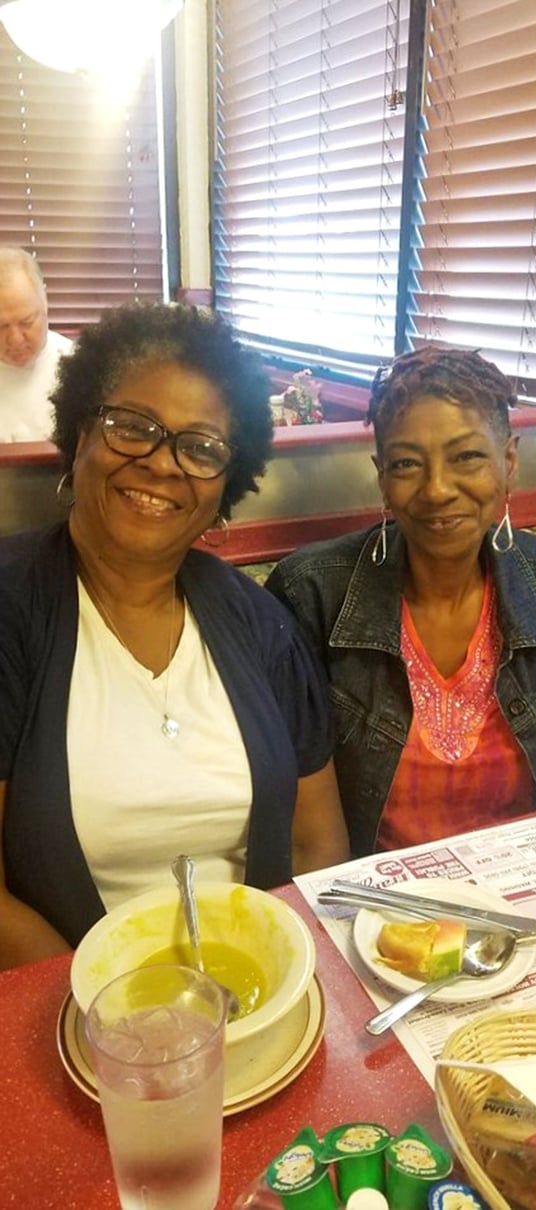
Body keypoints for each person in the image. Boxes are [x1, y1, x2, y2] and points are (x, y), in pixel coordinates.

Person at [0, 301, 349, 969]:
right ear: (81, 435)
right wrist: (112, 1004)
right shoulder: (10, 609)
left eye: (201, 448)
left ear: (224, 489)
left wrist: (275, 977)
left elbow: (314, 845)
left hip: (250, 984)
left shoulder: (264, 625)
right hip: (74, 999)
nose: (163, 464)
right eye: (133, 427)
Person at [266, 345, 536, 858]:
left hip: (535, 879)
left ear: (508, 462)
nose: (437, 489)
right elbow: (282, 794)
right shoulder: (311, 595)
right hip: (378, 897)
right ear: (382, 476)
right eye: (407, 463)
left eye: (467, 457)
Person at [0, 246, 73, 442]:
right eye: (1, 327)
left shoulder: (80, 364)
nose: (15, 340)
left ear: (45, 302)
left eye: (26, 322)